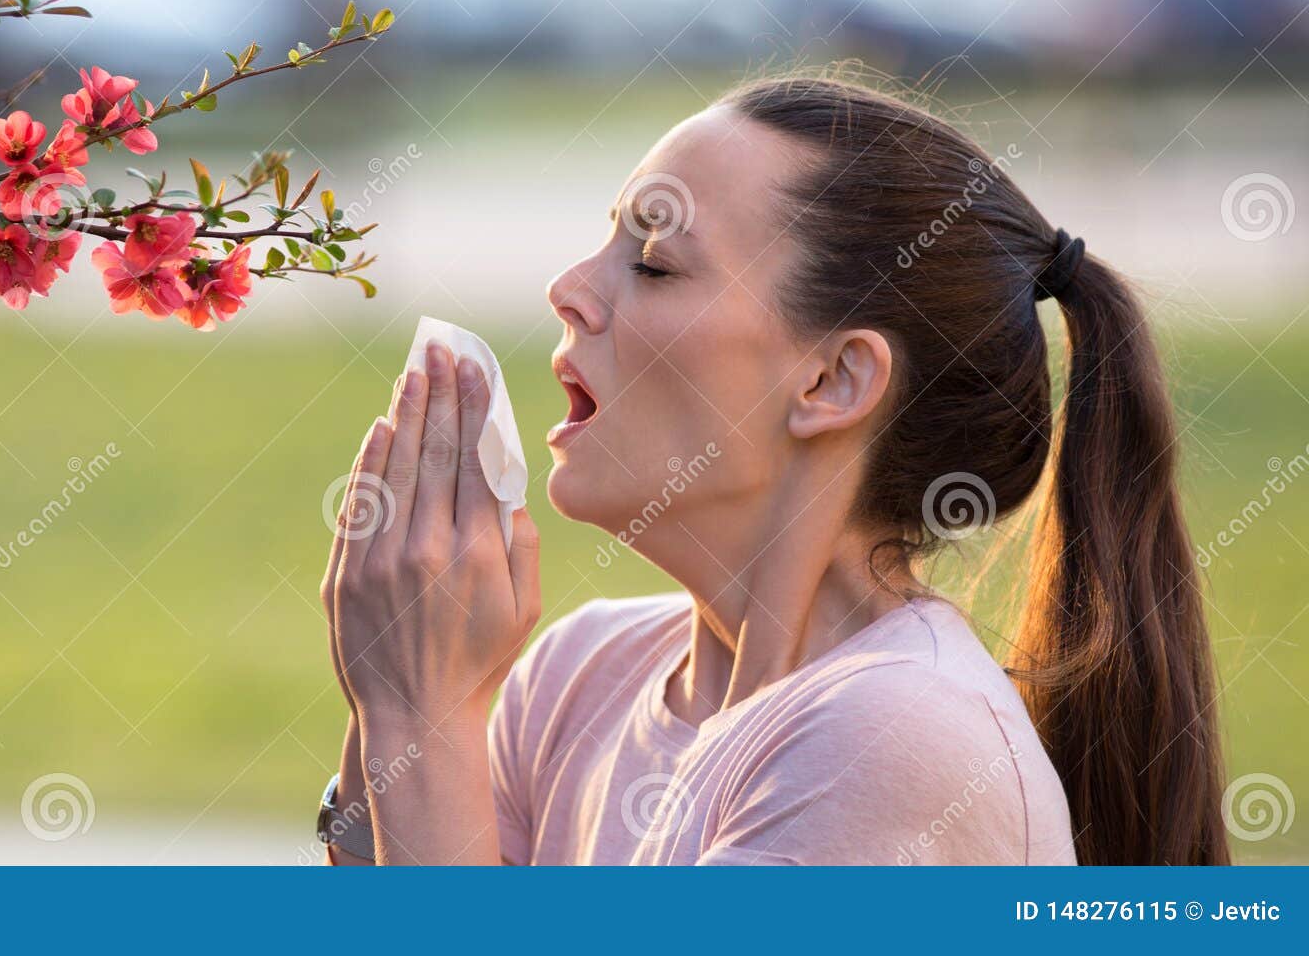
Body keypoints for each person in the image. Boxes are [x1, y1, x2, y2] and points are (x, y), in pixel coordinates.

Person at [316, 75, 1229, 865]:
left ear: (832, 380)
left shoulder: (891, 739)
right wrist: (390, 707)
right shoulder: (580, 677)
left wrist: (416, 710)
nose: (570, 288)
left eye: (653, 263)